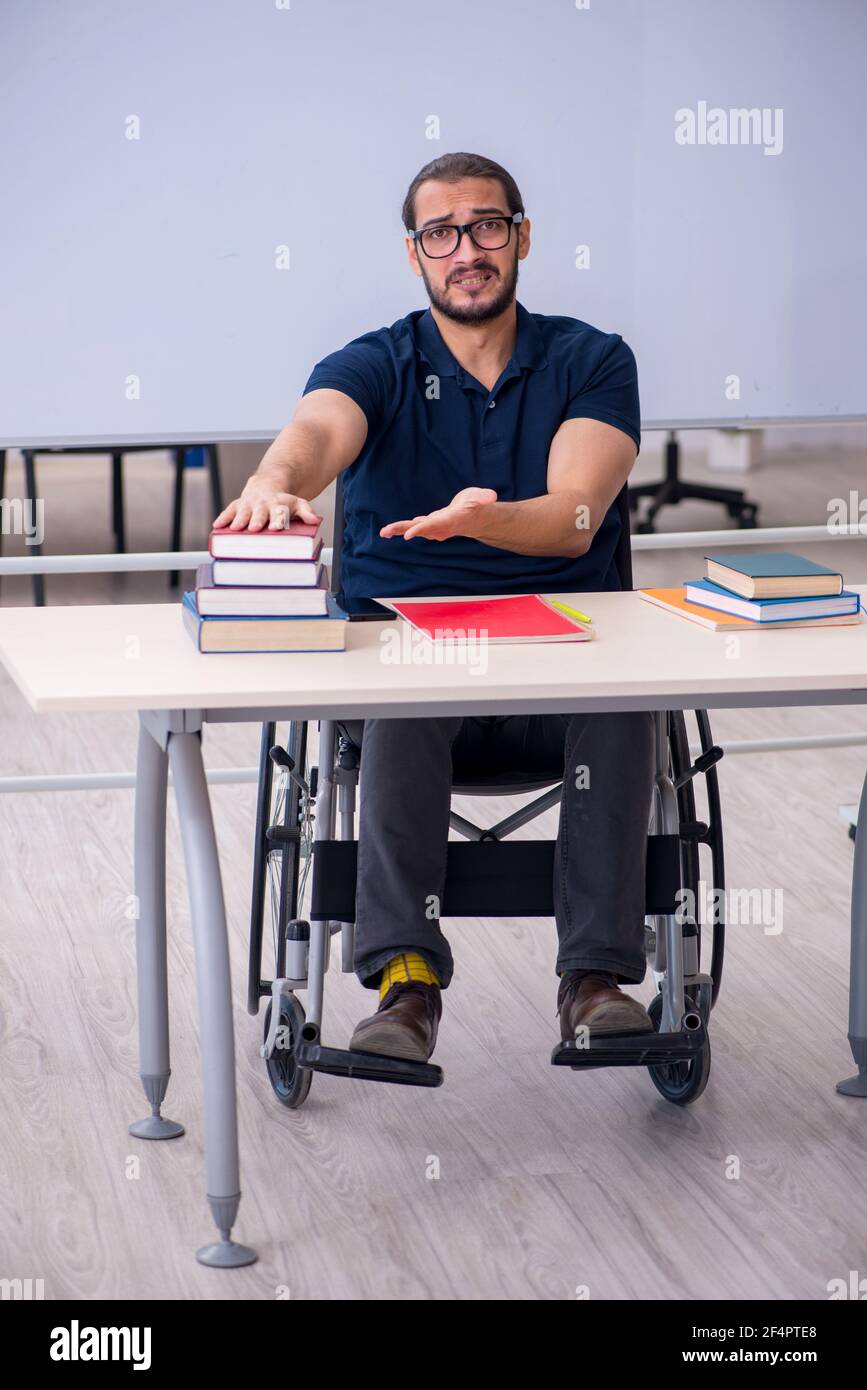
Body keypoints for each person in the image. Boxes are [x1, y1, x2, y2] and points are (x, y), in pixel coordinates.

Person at [214, 152, 655, 1064]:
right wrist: (270, 483)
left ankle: (595, 980)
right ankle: (406, 983)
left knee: (624, 692)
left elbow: (576, 520)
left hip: (563, 673)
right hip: (416, 690)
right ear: (415, 252)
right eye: (441, 233)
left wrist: (486, 523)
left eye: (487, 226)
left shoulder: (591, 360)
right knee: (404, 685)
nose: (467, 250)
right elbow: (315, 434)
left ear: (521, 236)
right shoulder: (374, 362)